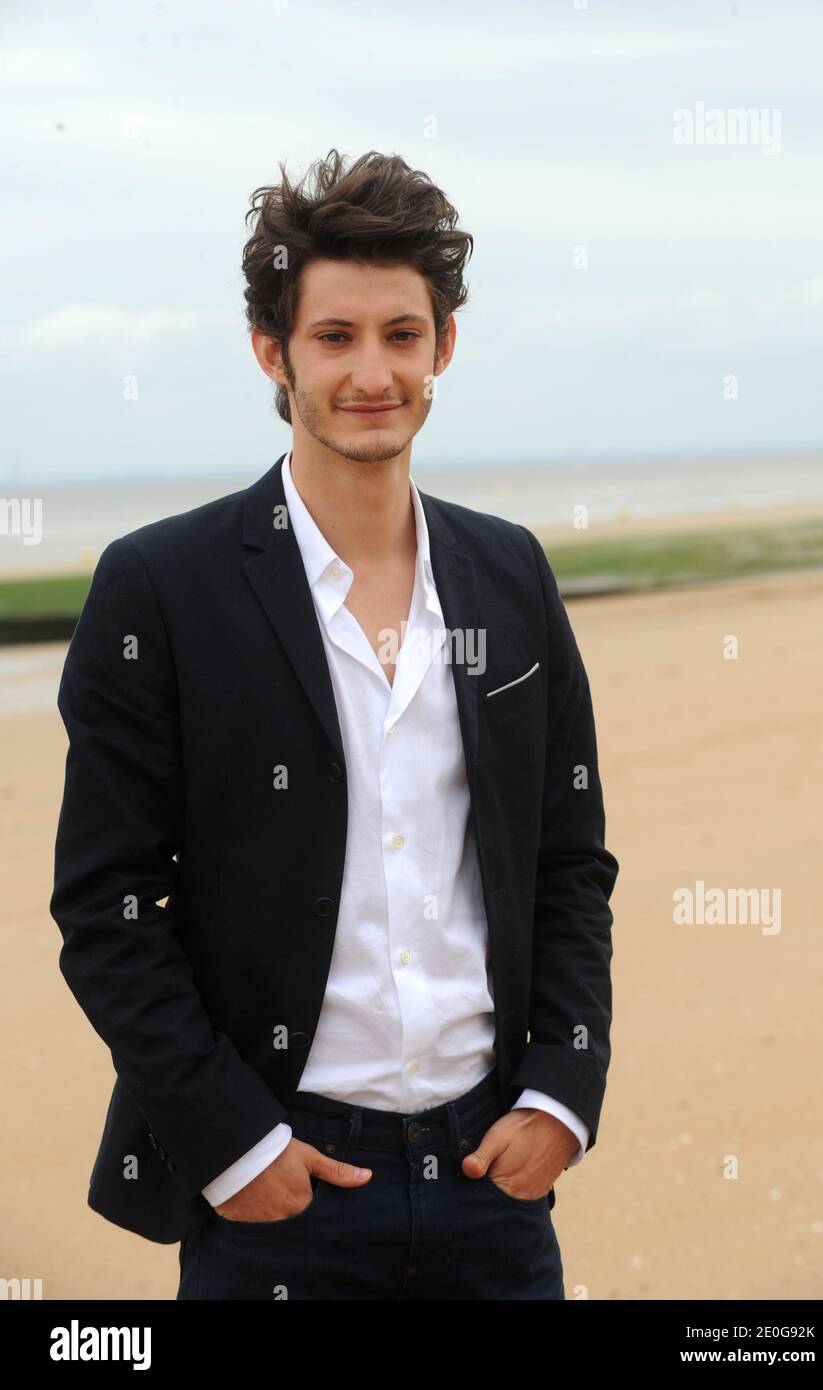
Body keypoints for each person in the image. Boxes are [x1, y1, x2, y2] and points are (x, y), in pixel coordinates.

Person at [50, 149, 619, 1300]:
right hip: (280, 1185)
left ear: (442, 347)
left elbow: (569, 862)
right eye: (334, 336)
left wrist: (563, 1091)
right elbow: (107, 903)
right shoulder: (161, 586)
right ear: (274, 352)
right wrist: (231, 1144)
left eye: (402, 335)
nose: (372, 370)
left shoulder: (510, 573)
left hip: (492, 1179)